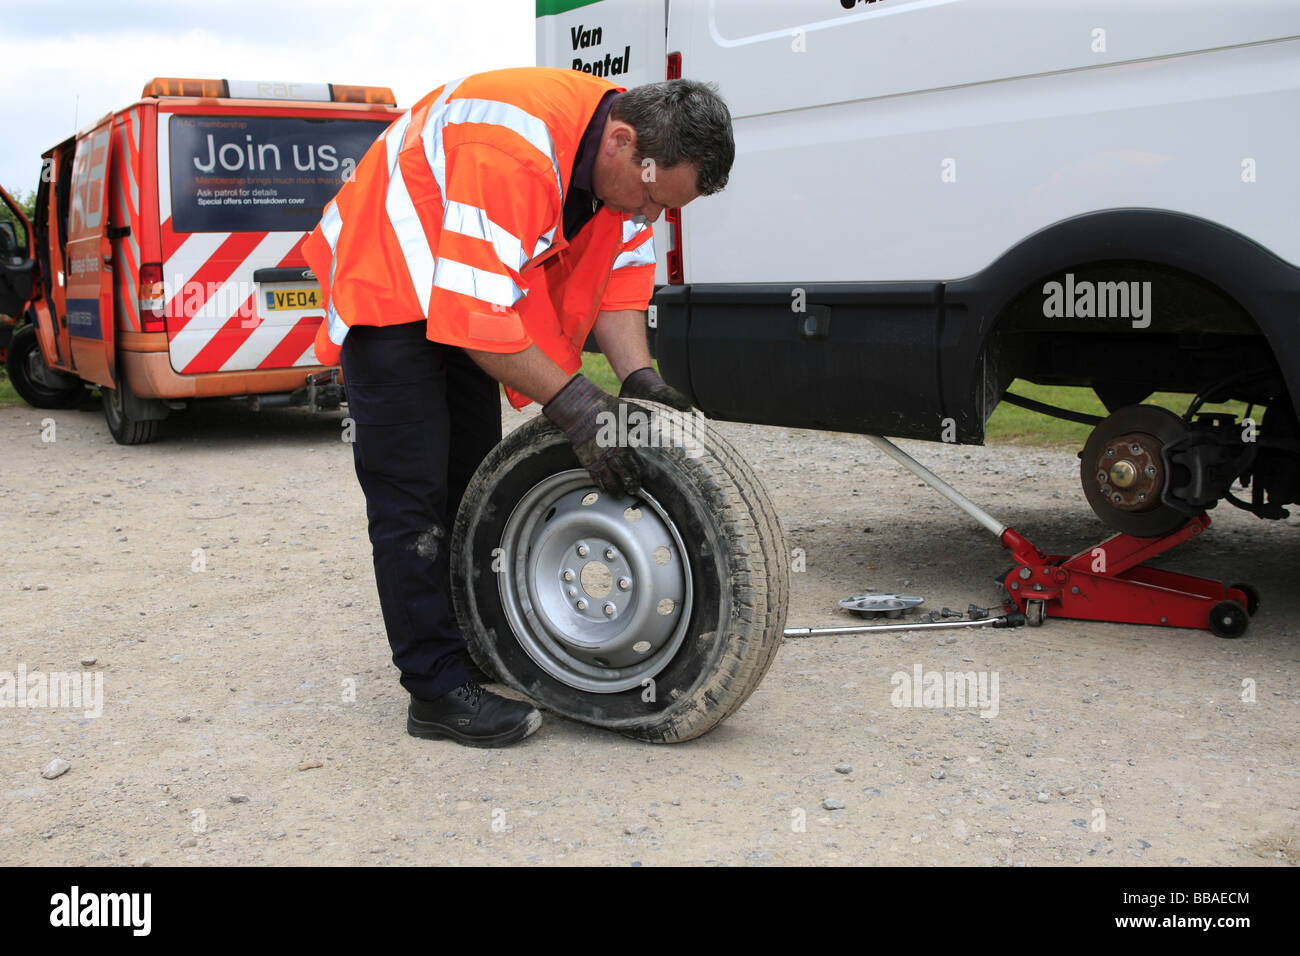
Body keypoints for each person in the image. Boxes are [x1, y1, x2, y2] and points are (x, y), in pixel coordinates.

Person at [303, 67, 735, 748]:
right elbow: (473, 315)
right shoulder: (513, 145)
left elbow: (621, 281)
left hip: (464, 288)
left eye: (667, 209)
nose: (652, 216)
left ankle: (469, 642)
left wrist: (640, 380)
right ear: (622, 143)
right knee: (411, 493)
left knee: (469, 480)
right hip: (391, 279)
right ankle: (436, 691)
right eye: (654, 199)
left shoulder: (627, 176)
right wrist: (576, 407)